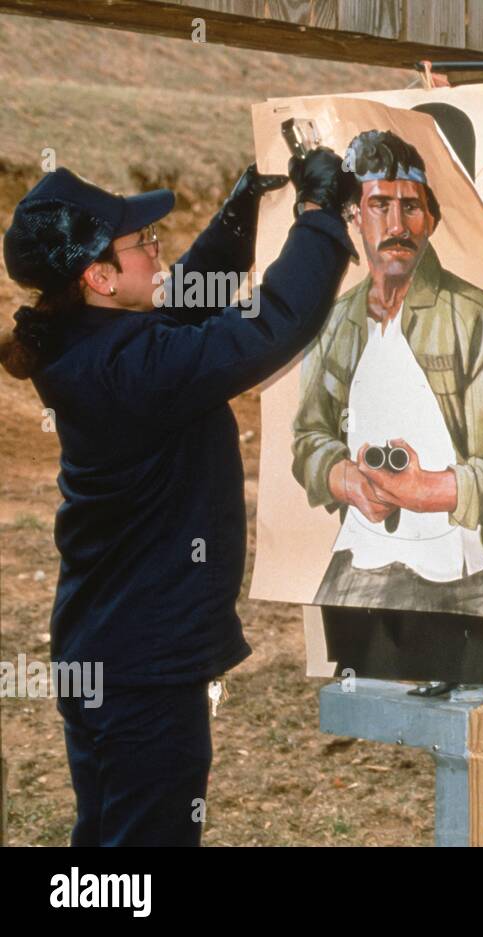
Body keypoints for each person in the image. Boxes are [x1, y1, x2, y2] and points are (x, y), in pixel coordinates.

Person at [0, 150, 357, 845]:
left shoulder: (86, 337)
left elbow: (188, 297)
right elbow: (271, 325)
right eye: (140, 244)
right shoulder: (130, 367)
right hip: (142, 672)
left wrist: (243, 207)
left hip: (107, 652)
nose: (156, 247)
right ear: (98, 276)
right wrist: (319, 220)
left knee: (110, 849)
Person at [291, 129, 483, 681]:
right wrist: (348, 480)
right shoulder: (333, 321)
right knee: (363, 711)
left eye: (411, 207)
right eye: (379, 206)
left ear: (431, 220)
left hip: (461, 572)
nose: (396, 226)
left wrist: (427, 491)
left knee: (471, 720)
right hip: (360, 564)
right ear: (355, 218)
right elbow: (307, 439)